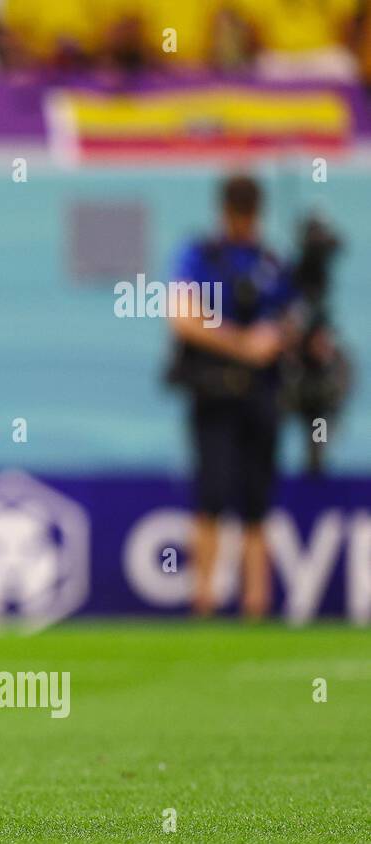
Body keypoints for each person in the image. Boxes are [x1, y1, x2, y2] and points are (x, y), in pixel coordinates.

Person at [166, 174, 294, 620]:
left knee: (257, 501)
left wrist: (279, 338)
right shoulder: (202, 256)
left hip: (262, 395)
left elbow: (291, 321)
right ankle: (204, 600)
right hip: (214, 393)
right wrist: (243, 343)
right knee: (212, 495)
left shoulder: (272, 264)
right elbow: (182, 317)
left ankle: (255, 603)